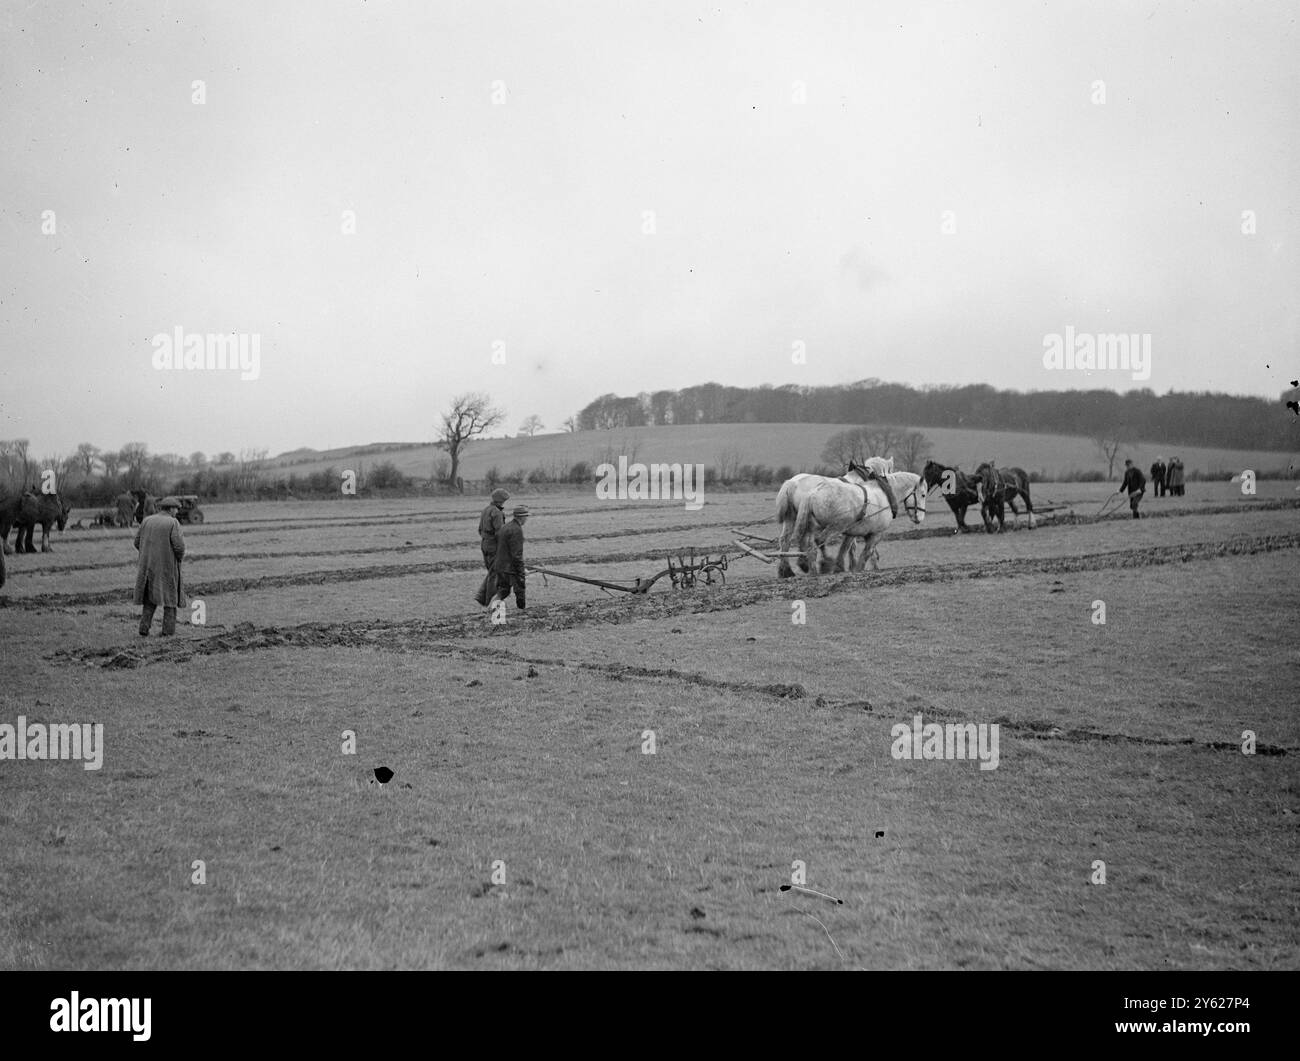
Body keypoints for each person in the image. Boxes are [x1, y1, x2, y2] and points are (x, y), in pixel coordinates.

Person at [134, 496, 186, 635]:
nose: (177, 512)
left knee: (150, 599)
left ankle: (144, 628)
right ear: (170, 509)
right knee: (170, 599)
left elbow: (137, 542)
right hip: (166, 567)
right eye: (176, 509)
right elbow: (179, 547)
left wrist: (149, 554)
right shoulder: (172, 522)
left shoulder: (147, 520)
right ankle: (168, 631)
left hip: (147, 567)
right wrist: (178, 559)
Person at [474, 487, 510, 606]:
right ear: (501, 501)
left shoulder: (486, 510)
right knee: (495, 575)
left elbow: (480, 529)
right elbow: (500, 533)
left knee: (492, 572)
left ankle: (481, 597)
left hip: (484, 544)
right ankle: (489, 602)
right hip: (494, 546)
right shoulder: (497, 512)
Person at [492, 505, 529, 610]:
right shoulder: (517, 530)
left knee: (503, 591)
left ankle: (493, 609)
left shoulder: (506, 527)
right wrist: (521, 571)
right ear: (522, 517)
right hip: (510, 568)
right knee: (520, 590)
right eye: (526, 516)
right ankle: (522, 612)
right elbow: (517, 555)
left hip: (500, 565)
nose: (527, 519)